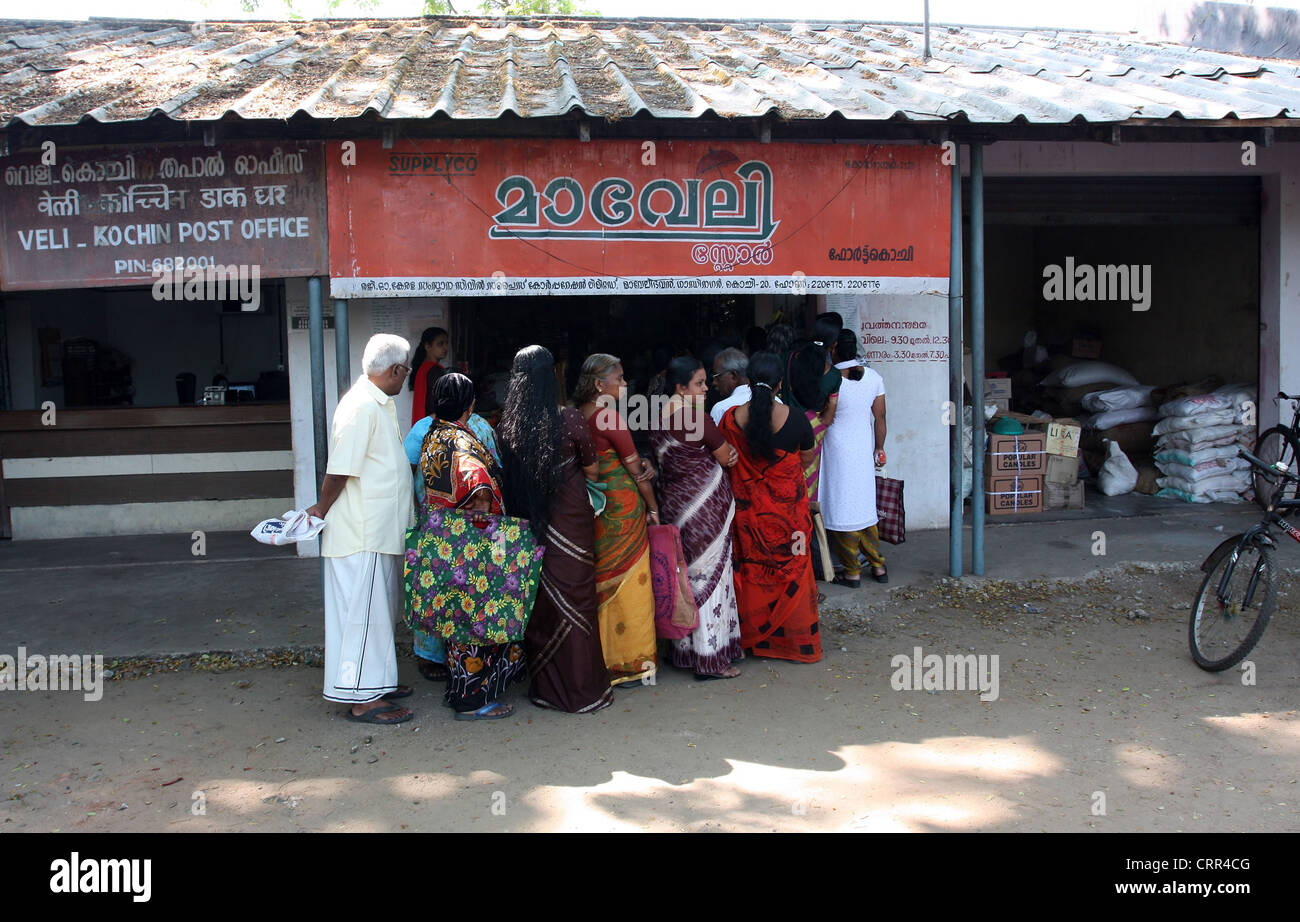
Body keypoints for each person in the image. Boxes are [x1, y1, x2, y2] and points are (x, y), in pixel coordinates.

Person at [307, 334, 416, 725]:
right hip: (361, 533)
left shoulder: (375, 403)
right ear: (395, 370)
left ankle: (378, 683)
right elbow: (339, 470)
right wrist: (320, 510)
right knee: (363, 617)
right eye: (405, 371)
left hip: (377, 531)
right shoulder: (360, 407)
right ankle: (363, 699)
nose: (406, 378)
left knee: (378, 614)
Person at [498, 346, 614, 713]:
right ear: (553, 377)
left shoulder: (506, 427)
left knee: (543, 606)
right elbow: (592, 470)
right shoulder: (569, 420)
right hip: (571, 526)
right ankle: (583, 691)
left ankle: (547, 689)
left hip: (531, 527)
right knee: (577, 603)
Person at [415, 372, 525, 720]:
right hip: (472, 545)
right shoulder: (462, 442)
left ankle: (461, 690)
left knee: (456, 622)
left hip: (443, 539)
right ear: (470, 404)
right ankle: (473, 700)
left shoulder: (434, 434)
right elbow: (478, 484)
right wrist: (483, 517)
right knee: (478, 625)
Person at [717, 351, 822, 663]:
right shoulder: (797, 420)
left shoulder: (729, 418)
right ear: (781, 383)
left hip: (748, 515)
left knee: (750, 572)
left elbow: (723, 459)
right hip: (788, 517)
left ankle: (753, 639)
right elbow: (805, 460)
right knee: (794, 573)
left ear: (747, 380)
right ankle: (793, 643)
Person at [403, 369, 500, 683]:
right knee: (468, 596)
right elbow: (490, 473)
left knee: (433, 590)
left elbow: (406, 467)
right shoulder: (477, 430)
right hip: (468, 528)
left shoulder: (424, 430)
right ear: (470, 404)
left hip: (432, 519)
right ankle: (470, 674)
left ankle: (431, 657)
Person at [651, 356, 743, 679]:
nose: (706, 389)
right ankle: (711, 660)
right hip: (707, 512)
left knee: (687, 577)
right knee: (711, 580)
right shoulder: (697, 419)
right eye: (699, 384)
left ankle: (686, 653)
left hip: (676, 508)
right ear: (680, 387)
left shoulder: (656, 418)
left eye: (706, 382)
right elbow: (726, 456)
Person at [576, 353, 659, 687]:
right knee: (631, 583)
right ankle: (630, 661)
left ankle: (602, 658)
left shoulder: (577, 413)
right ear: (600, 384)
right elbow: (635, 470)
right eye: (620, 378)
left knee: (602, 579)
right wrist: (653, 507)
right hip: (623, 509)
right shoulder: (607, 418)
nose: (625, 384)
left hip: (597, 507)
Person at [819, 329, 889, 587]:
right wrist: (879, 448)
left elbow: (822, 413)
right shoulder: (873, 377)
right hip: (862, 449)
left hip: (837, 450)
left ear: (834, 347)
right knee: (864, 508)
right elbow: (879, 418)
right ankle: (879, 566)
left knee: (842, 509)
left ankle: (852, 572)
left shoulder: (830, 378)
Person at [783, 315, 843, 499]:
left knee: (785, 477)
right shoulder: (833, 375)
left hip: (785, 424)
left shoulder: (788, 359)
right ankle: (805, 523)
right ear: (834, 345)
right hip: (812, 431)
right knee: (807, 482)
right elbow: (828, 418)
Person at [408, 326, 449, 425]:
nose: (445, 348)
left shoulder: (423, 368)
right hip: (433, 423)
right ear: (427, 347)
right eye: (440, 344)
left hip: (423, 423)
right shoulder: (435, 370)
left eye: (446, 343)